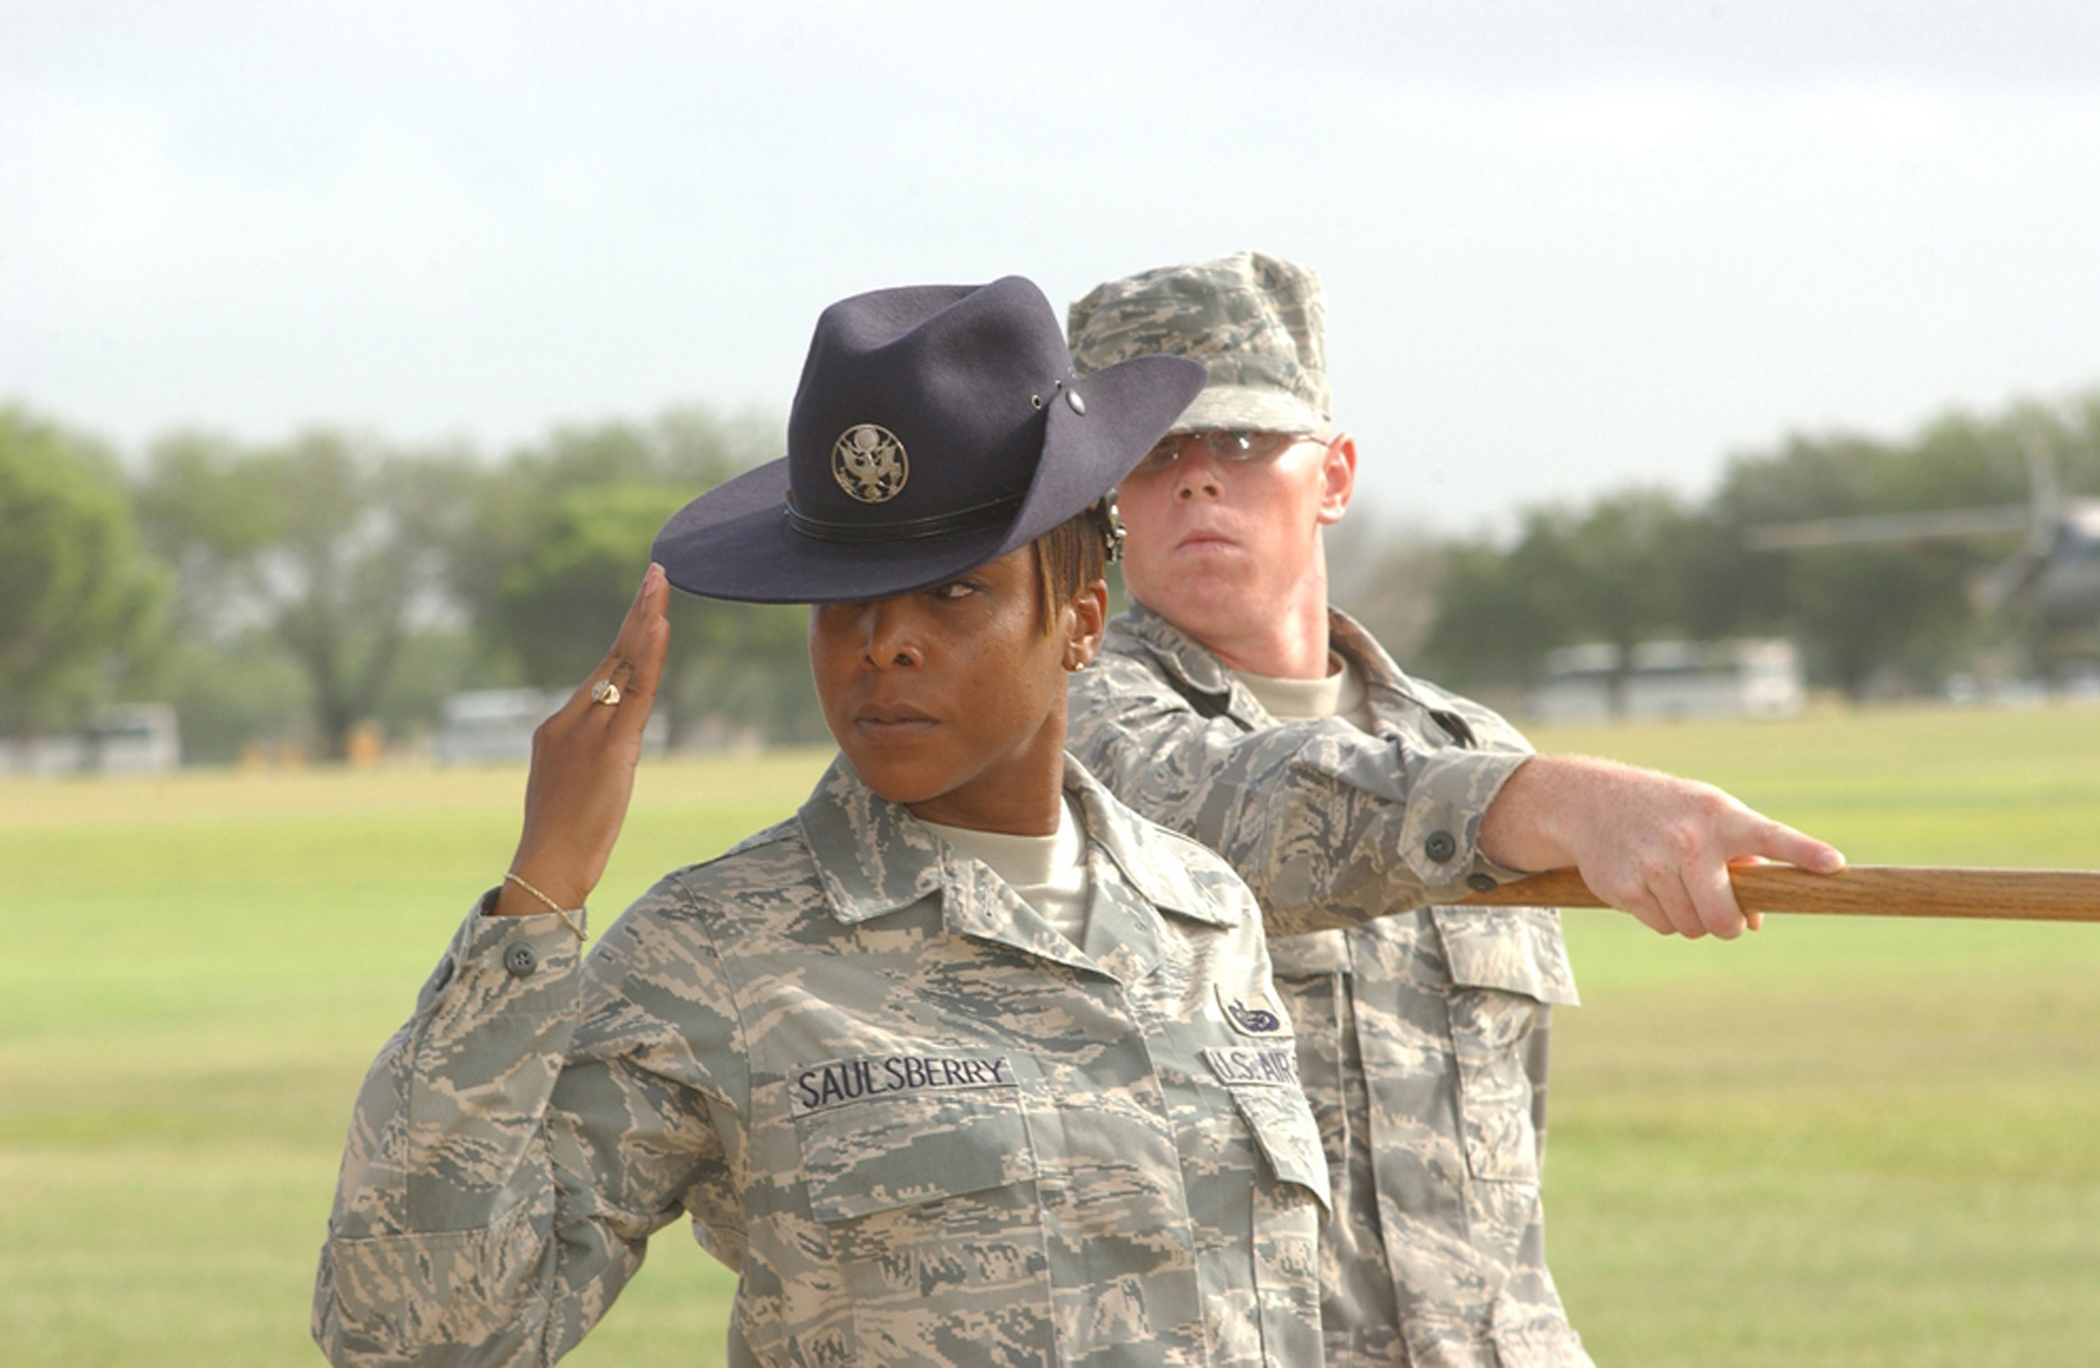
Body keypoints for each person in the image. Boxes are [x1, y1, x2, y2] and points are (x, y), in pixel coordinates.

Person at [311, 276, 1339, 1368]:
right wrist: (540, 893)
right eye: (846, 597)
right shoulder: (717, 950)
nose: (882, 643)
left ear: (1080, 615)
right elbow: (415, 1340)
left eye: (952, 592)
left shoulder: (1204, 917)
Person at [1063, 252, 1844, 1368]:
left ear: (1332, 475)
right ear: (1103, 502)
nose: (1197, 481)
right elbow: (1226, 804)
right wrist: (1554, 802)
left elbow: (1504, 1184)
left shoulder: (1473, 749)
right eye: (1154, 455)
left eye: (1240, 444)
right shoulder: (1064, 728)